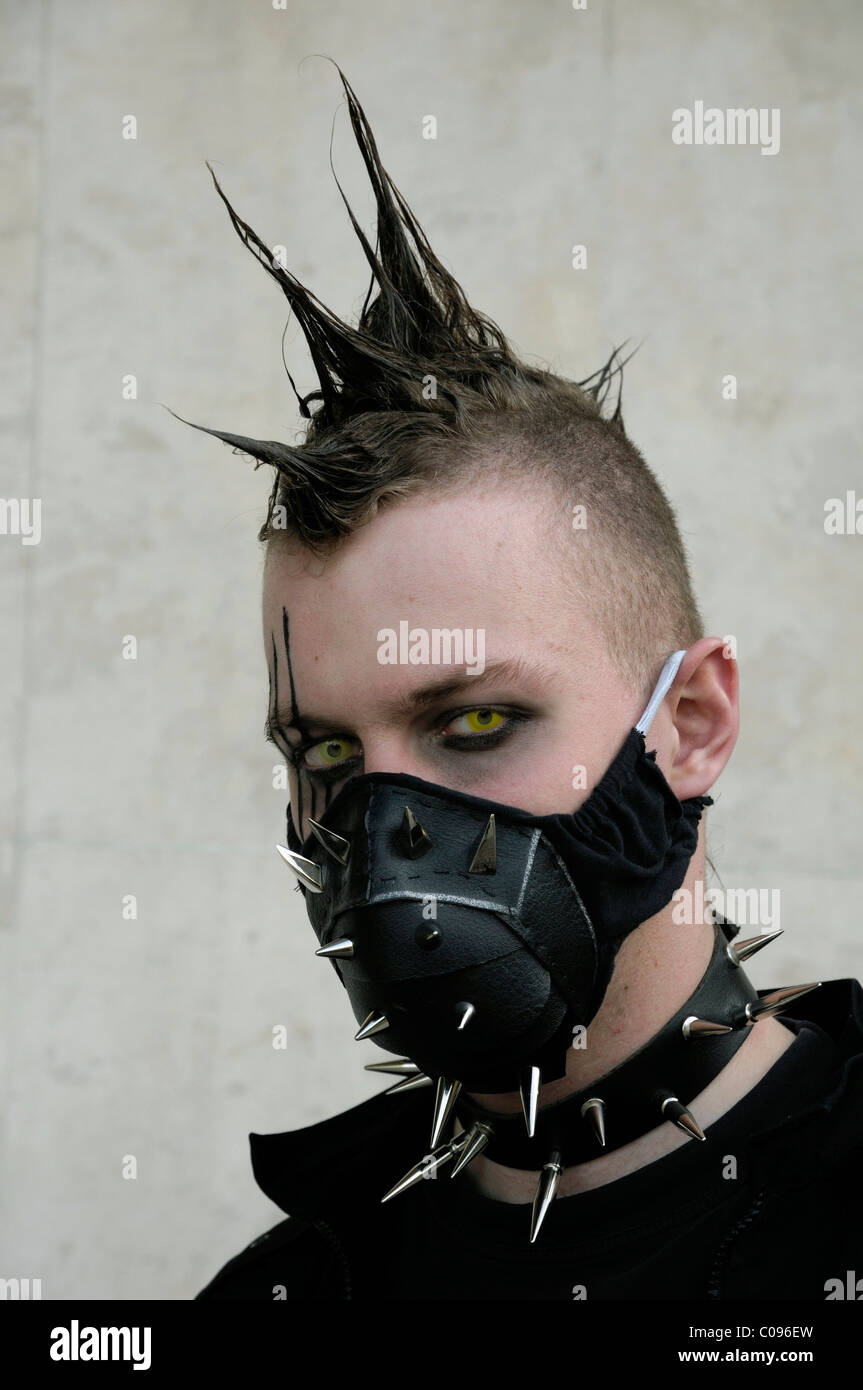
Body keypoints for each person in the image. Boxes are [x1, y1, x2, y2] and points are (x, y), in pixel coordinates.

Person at [180, 66, 863, 1301]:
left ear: (692, 723)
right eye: (326, 755)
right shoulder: (282, 1300)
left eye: (474, 720)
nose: (387, 847)